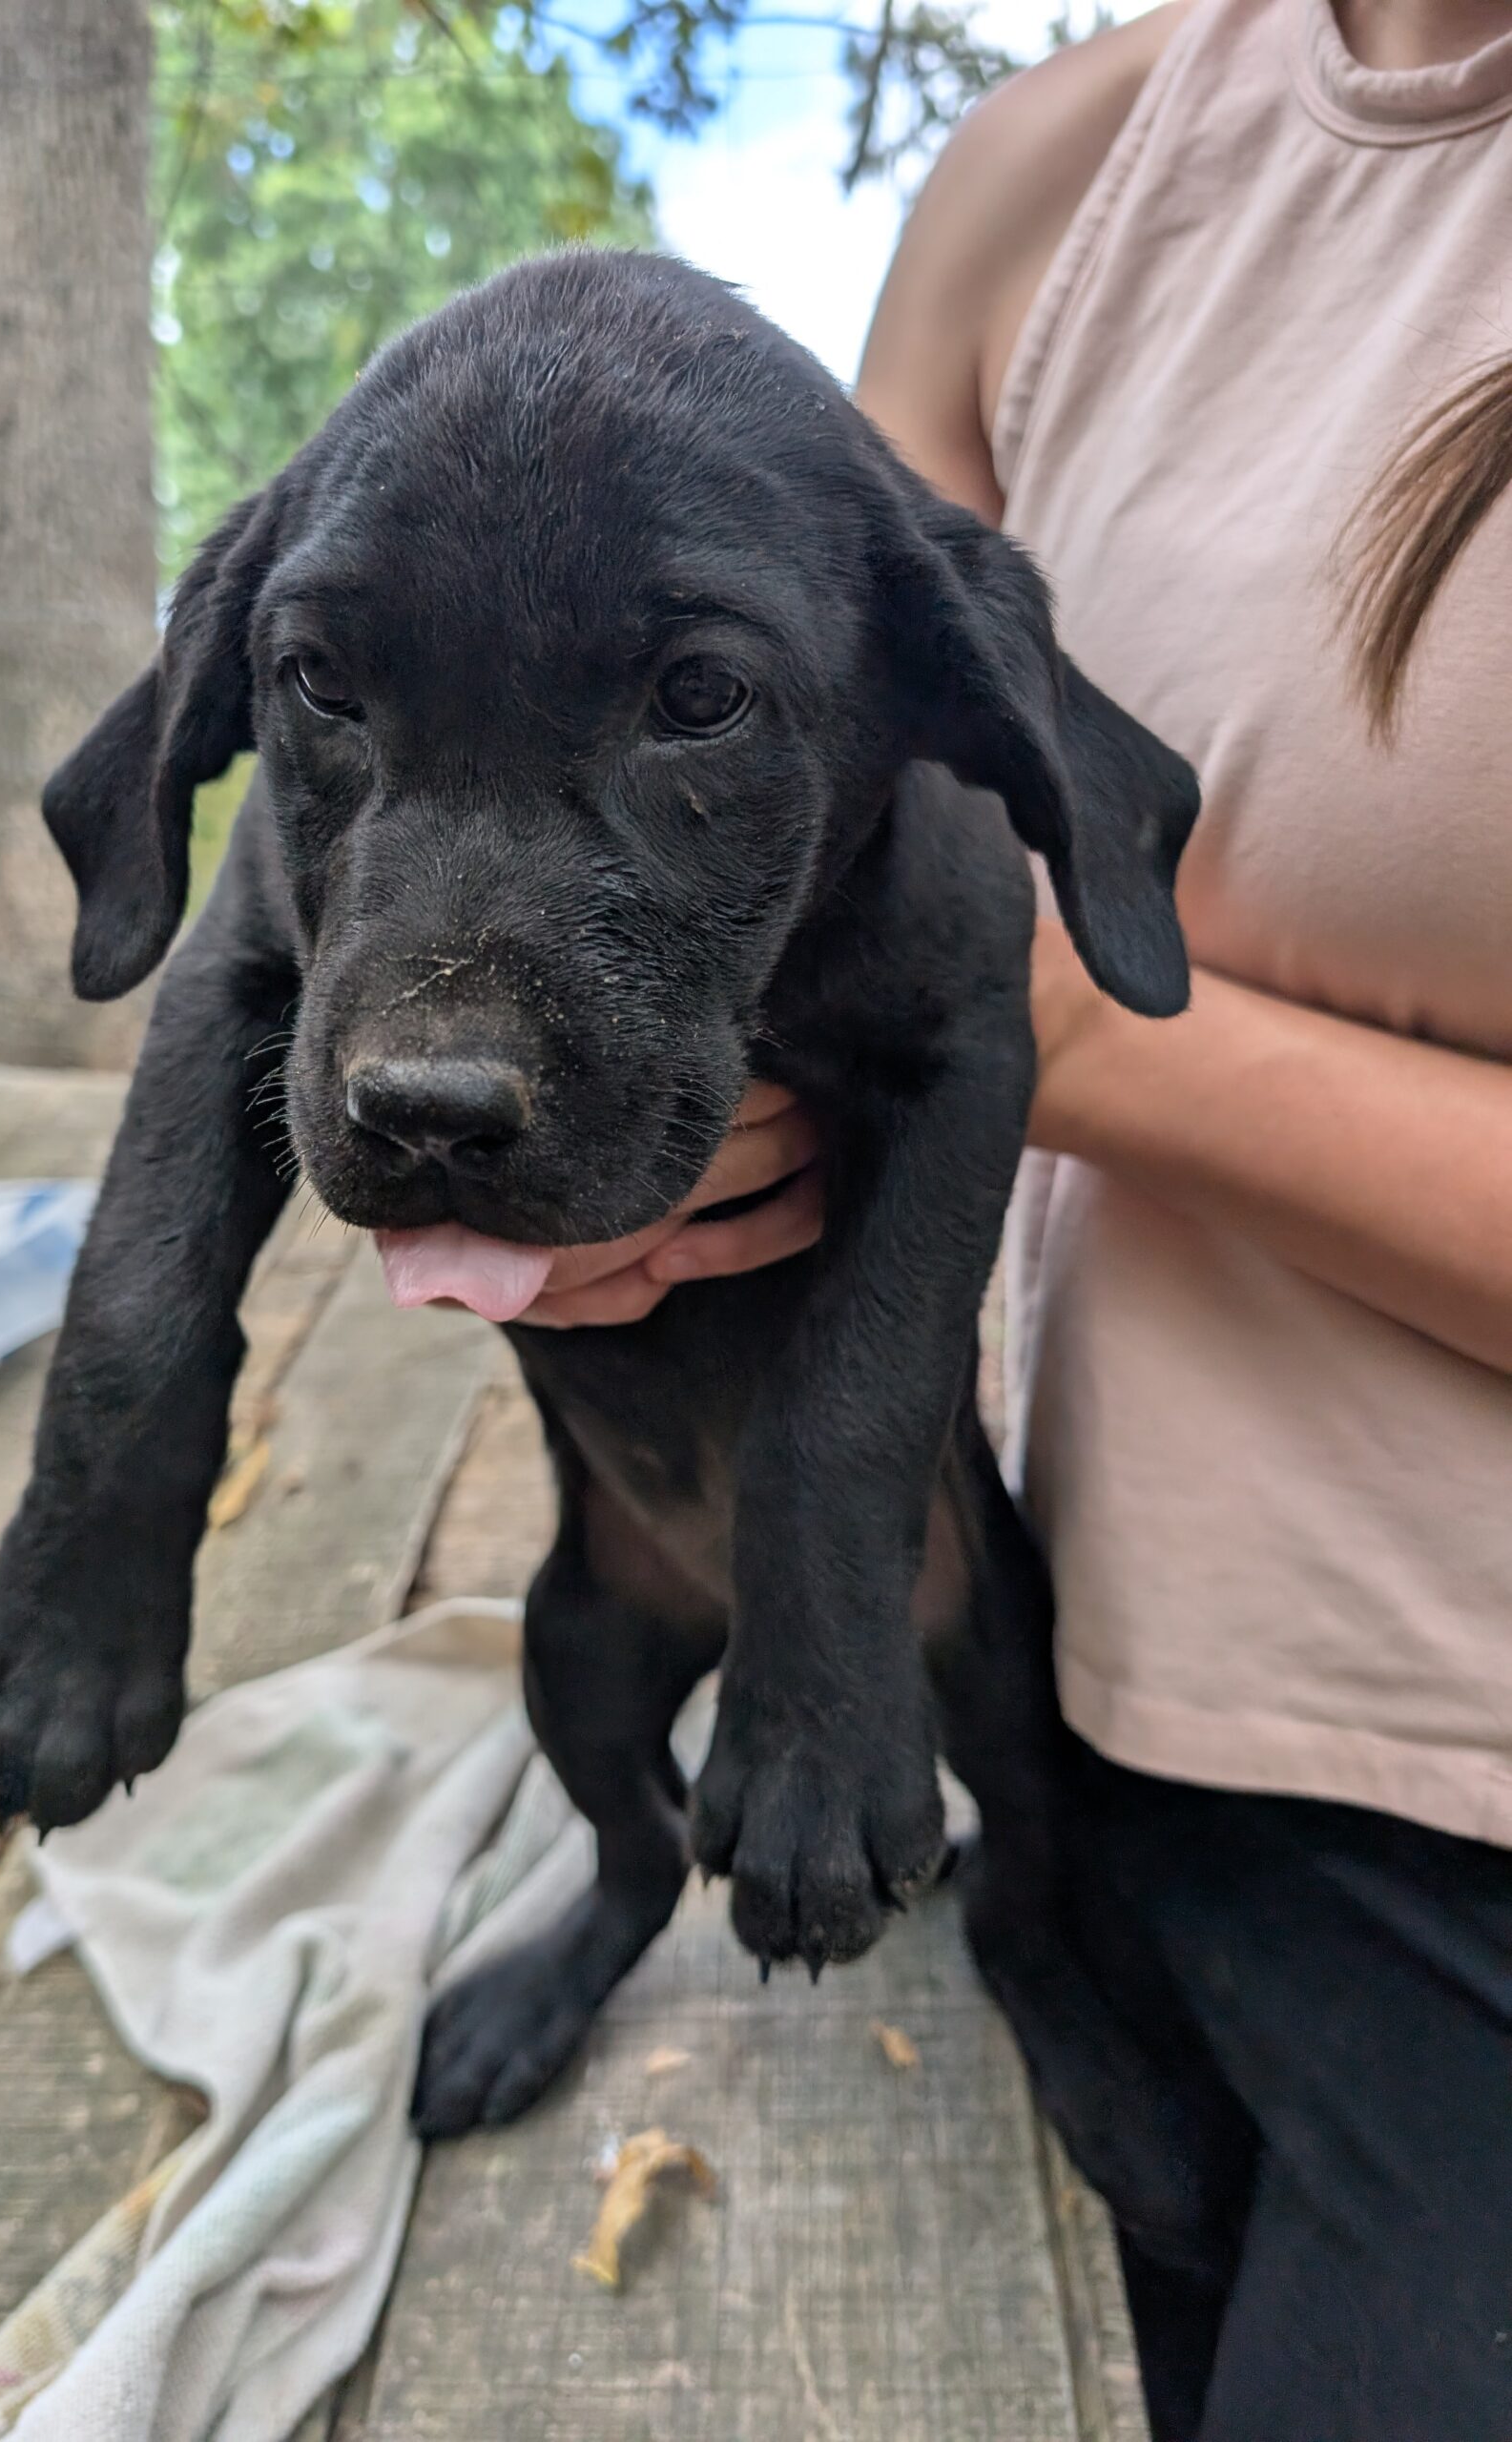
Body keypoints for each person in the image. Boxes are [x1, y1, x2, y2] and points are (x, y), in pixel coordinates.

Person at [506, 1, 1512, 2433]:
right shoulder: (1050, 172)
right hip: (1035, 1693)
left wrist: (1040, 1028)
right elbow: (778, 787)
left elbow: (936, 944)